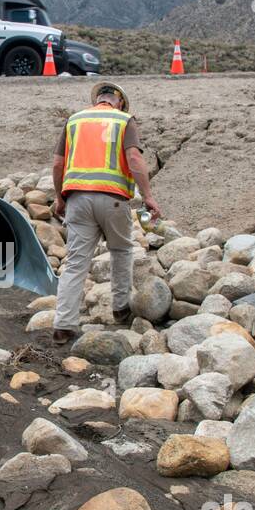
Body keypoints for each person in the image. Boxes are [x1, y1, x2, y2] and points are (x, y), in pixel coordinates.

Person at [50, 81, 162, 345]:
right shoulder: (124, 120)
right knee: (121, 251)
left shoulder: (74, 121)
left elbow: (57, 164)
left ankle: (63, 326)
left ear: (97, 99)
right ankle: (121, 309)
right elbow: (134, 160)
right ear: (119, 101)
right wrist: (147, 196)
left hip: (77, 199)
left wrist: (59, 198)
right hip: (113, 200)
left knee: (76, 262)